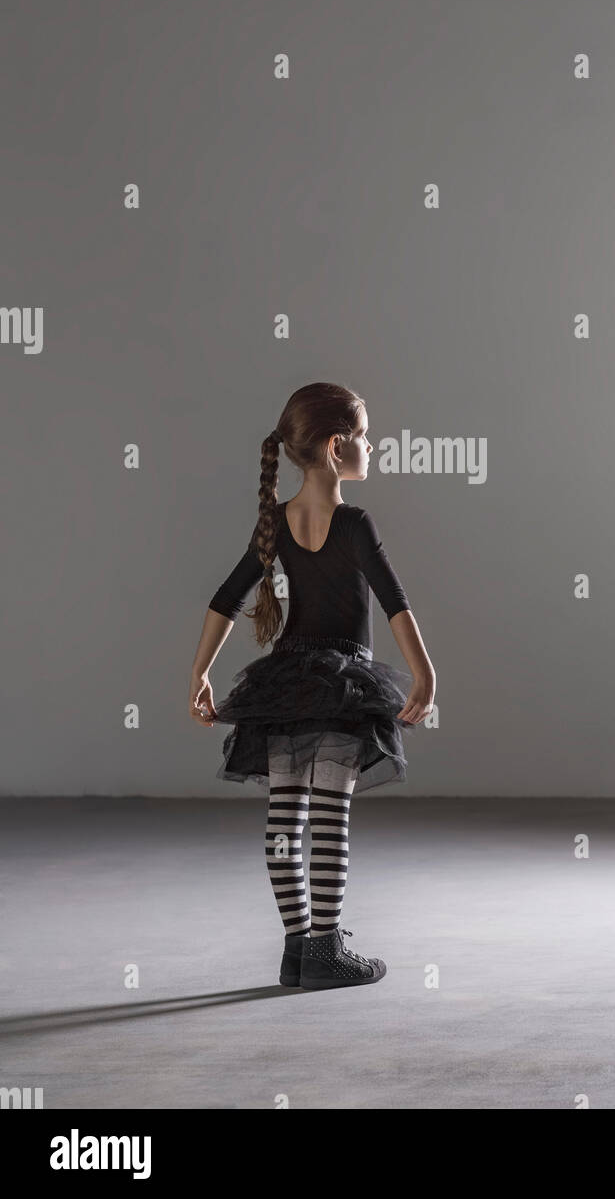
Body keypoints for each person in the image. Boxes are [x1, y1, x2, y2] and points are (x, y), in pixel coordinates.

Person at [188, 381, 436, 991]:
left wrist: (199, 672)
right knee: (330, 813)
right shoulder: (353, 522)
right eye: (366, 437)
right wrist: (425, 671)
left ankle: (298, 947)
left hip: (285, 680)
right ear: (335, 447)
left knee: (284, 816)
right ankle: (324, 949)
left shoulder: (276, 520)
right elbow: (394, 601)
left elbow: (226, 598)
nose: (373, 447)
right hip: (343, 683)